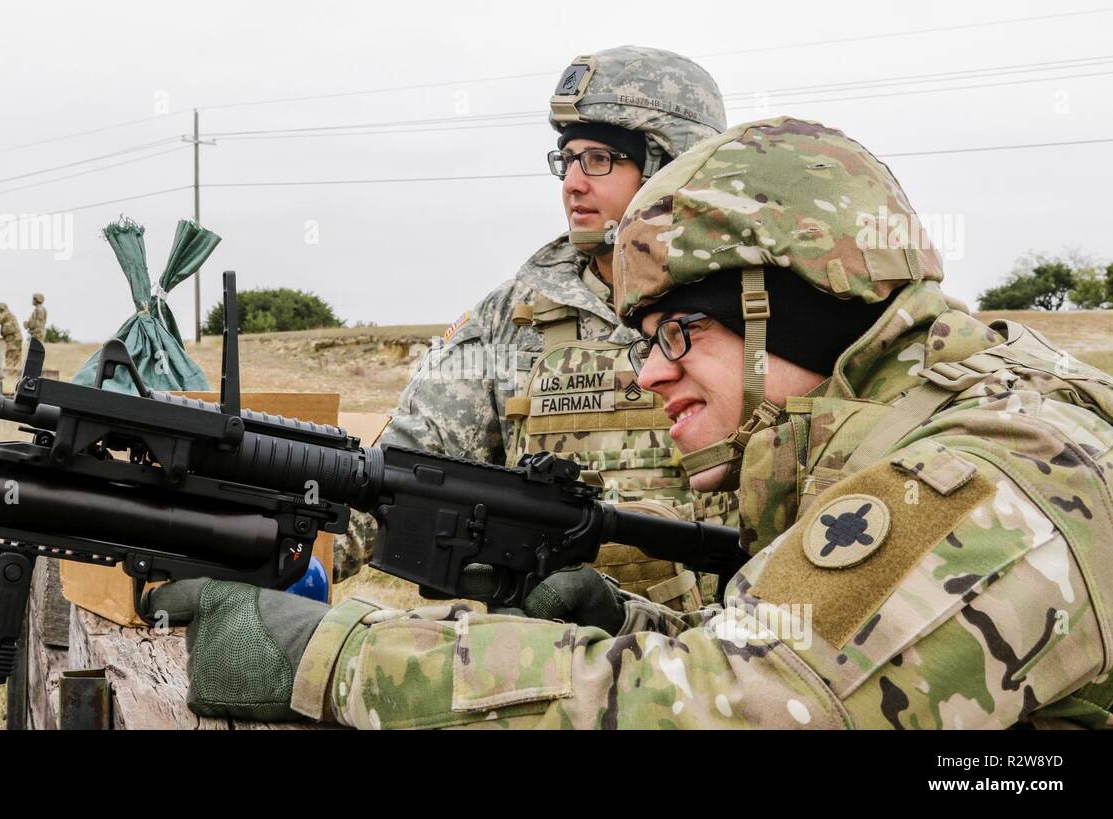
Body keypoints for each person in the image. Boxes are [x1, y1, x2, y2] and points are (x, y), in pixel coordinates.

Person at [150, 117, 1113, 729]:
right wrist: (629, 620)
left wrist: (328, 655)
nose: (650, 371)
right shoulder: (892, 419)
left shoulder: (998, 465)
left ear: (784, 305)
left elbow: (748, 711)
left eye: (678, 332)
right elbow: (801, 656)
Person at [336, 46, 733, 610]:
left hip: (719, 671)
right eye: (566, 159)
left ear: (671, 167)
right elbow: (394, 480)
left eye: (599, 159)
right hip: (540, 667)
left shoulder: (755, 312)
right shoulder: (510, 318)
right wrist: (267, 541)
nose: (572, 183)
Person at [0, 302, 23, 373]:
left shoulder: (5, 314)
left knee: (10, 355)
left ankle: (10, 373)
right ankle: (16, 372)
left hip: (13, 339)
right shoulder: (9, 314)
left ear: (1, 308)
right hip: (16, 338)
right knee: (16, 357)